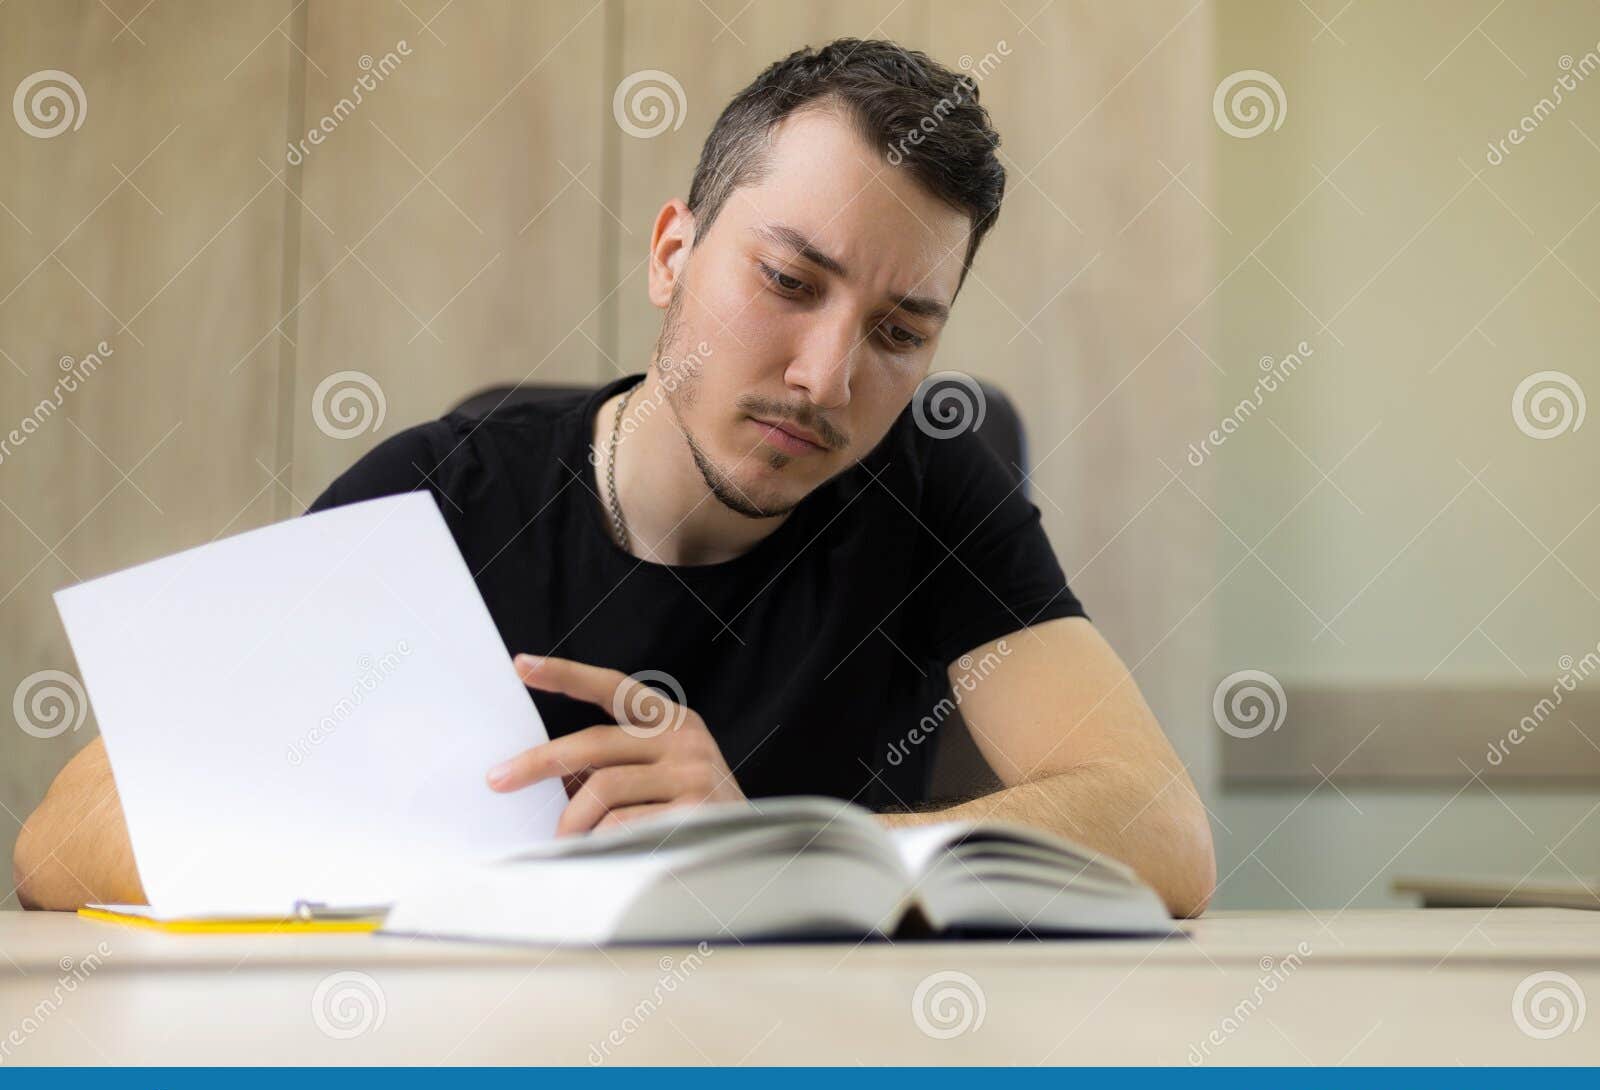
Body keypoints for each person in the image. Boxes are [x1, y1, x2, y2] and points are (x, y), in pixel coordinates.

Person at [15, 38, 1214, 916]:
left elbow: (1158, 826)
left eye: (899, 332)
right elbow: (62, 836)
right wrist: (477, 857)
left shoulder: (933, 488)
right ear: (673, 254)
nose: (825, 376)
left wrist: (779, 847)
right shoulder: (439, 497)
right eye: (790, 282)